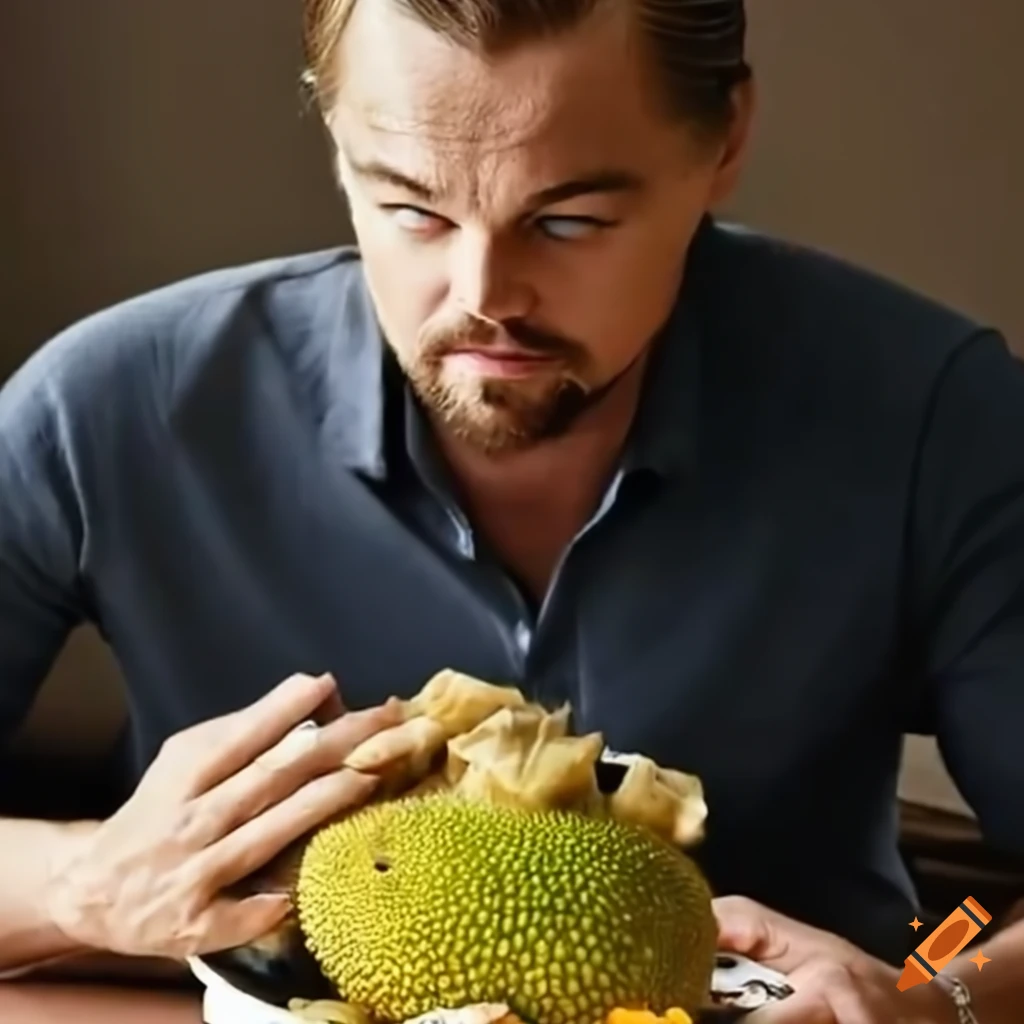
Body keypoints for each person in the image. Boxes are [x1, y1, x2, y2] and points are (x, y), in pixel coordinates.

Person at [0, 0, 1021, 1019]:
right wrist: (73, 884)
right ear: (335, 135)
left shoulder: (938, 415)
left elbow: (967, 966)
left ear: (724, 139)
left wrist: (947, 998)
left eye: (569, 220)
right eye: (412, 210)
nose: (484, 294)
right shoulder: (107, 406)